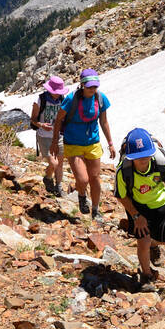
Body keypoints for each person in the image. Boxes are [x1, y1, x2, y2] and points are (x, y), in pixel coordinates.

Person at [114, 128, 165, 291]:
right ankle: (146, 276)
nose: (143, 160)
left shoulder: (160, 163)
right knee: (142, 241)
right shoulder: (124, 171)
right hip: (138, 207)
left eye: (145, 155)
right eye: (137, 157)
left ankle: (153, 245)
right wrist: (136, 216)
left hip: (160, 205)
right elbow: (121, 196)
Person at [50, 68, 115, 218]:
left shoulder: (100, 97)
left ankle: (96, 210)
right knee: (83, 179)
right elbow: (59, 119)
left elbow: (104, 122)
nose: (92, 89)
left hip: (93, 142)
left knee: (95, 178)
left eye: (95, 86)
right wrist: (54, 142)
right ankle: (81, 195)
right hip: (73, 143)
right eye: (89, 86)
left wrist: (110, 143)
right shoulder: (71, 99)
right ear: (82, 85)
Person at [30, 75, 67, 196]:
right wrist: (41, 125)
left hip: (59, 135)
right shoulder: (40, 99)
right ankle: (48, 177)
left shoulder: (62, 98)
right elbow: (33, 120)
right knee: (54, 163)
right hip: (44, 136)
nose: (57, 94)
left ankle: (59, 187)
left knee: (60, 163)